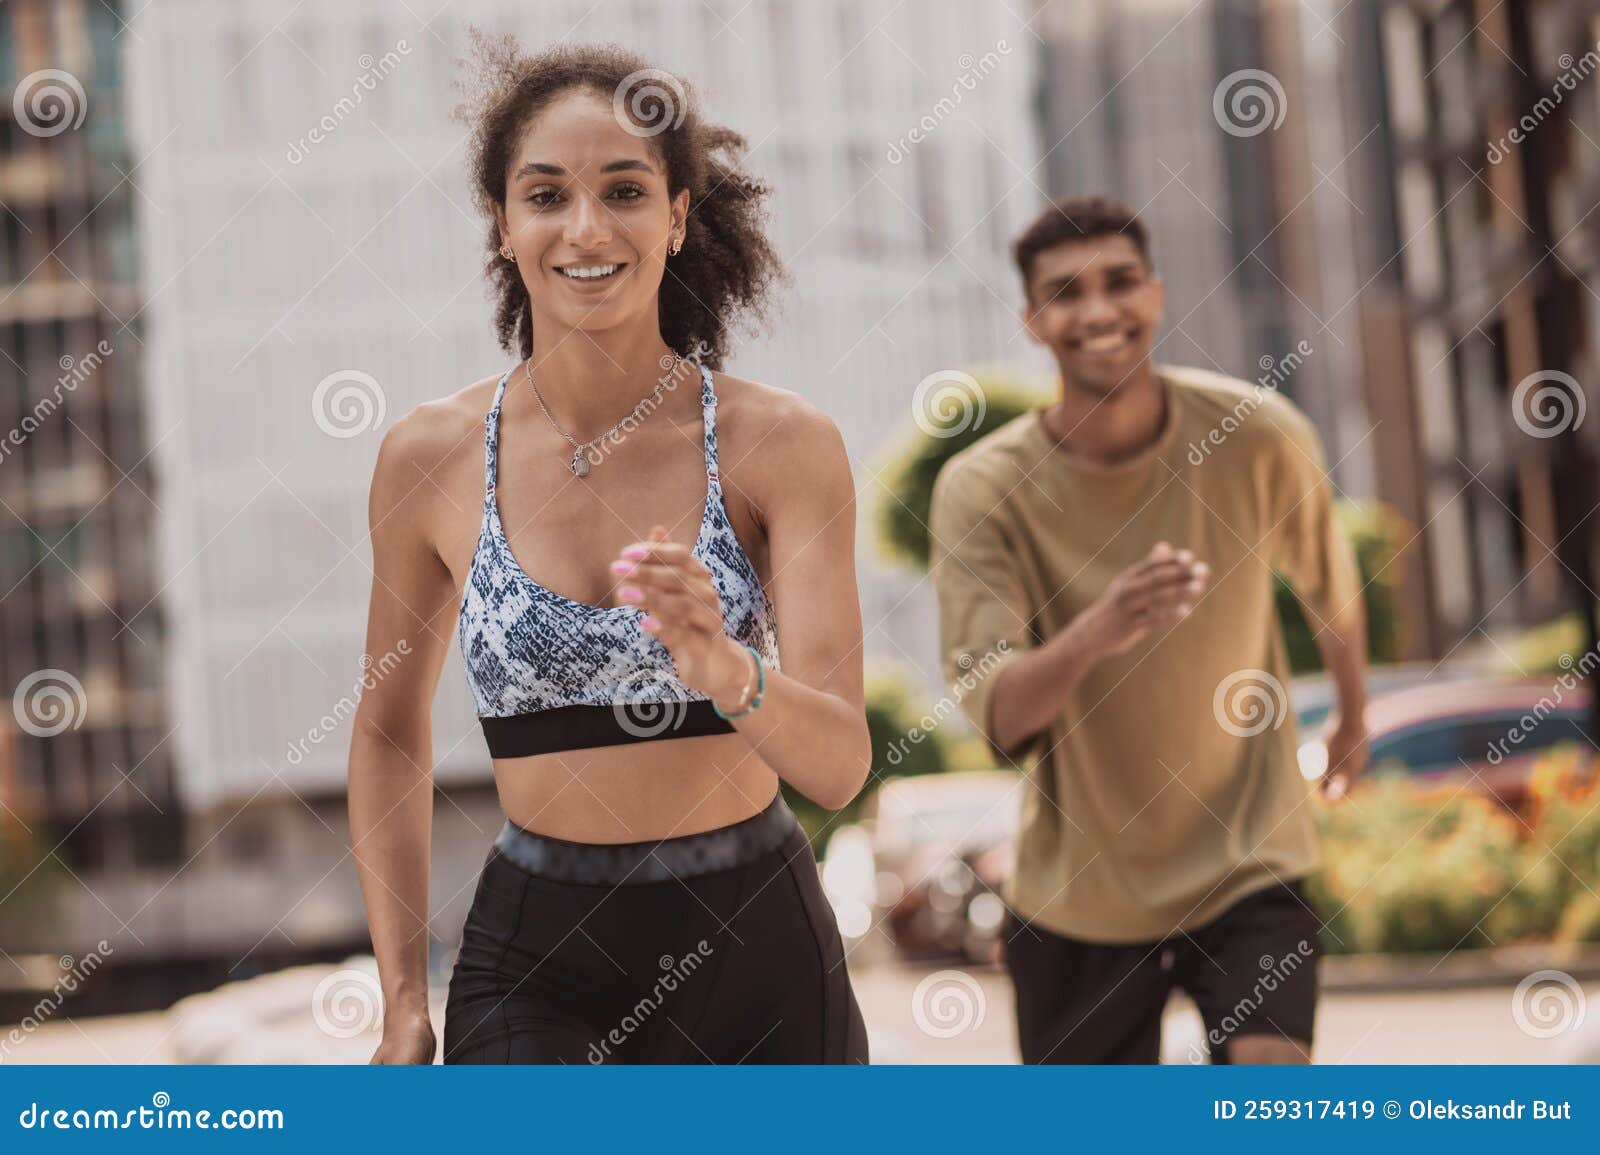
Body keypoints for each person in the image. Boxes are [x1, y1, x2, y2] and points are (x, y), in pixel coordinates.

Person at [349, 38, 870, 1064]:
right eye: (546, 196)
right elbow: (388, 733)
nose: (586, 228)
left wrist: (726, 667)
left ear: (677, 215)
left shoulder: (781, 444)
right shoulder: (428, 457)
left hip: (758, 951)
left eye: (624, 191)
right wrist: (402, 1000)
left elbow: (842, 764)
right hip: (538, 958)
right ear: (502, 223)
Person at [929, 195, 1369, 1064]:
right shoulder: (982, 488)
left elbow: (1332, 585)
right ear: (1032, 320)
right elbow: (1002, 715)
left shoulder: (1259, 436)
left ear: (1157, 294)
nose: (1098, 310)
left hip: (1248, 860)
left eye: (1120, 282)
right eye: (1066, 292)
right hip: (1078, 895)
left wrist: (1353, 719)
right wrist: (1099, 629)